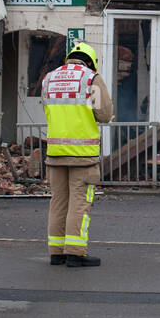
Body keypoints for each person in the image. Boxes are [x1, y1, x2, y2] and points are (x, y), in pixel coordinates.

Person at [41, 41, 113, 267]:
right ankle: (75, 252)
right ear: (90, 61)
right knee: (79, 204)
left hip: (55, 153)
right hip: (82, 156)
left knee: (58, 202)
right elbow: (103, 113)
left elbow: (47, 110)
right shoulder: (91, 78)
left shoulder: (49, 79)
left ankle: (56, 252)